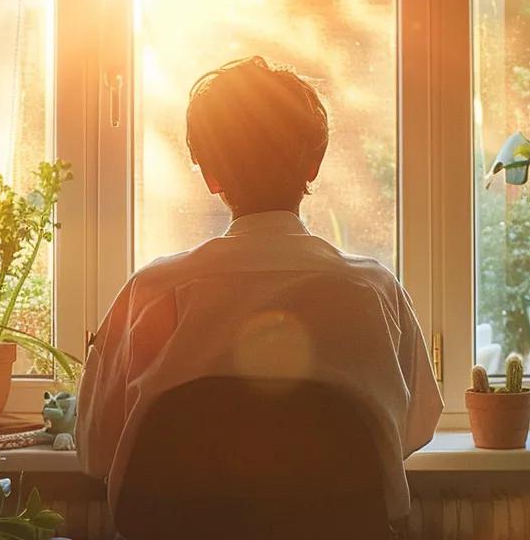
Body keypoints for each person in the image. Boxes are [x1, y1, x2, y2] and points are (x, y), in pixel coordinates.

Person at [77, 56, 442, 526]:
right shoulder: (375, 292)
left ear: (211, 175)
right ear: (313, 164)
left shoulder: (151, 293)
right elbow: (414, 430)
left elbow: (94, 453)